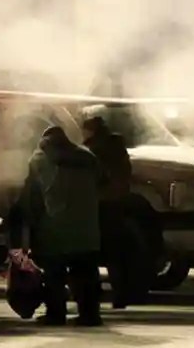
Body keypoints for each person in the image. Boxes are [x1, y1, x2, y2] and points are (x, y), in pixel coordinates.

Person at [18, 126, 104, 326]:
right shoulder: (88, 157)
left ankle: (56, 314)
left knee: (54, 274)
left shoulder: (39, 159)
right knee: (86, 274)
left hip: (53, 228)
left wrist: (29, 225)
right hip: (86, 227)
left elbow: (32, 196)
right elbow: (103, 182)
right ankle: (90, 314)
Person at [82, 115, 134, 309]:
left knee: (94, 252)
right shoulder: (117, 146)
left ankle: (99, 294)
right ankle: (121, 293)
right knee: (115, 254)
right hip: (118, 203)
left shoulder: (95, 149)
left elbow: (95, 176)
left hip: (101, 204)